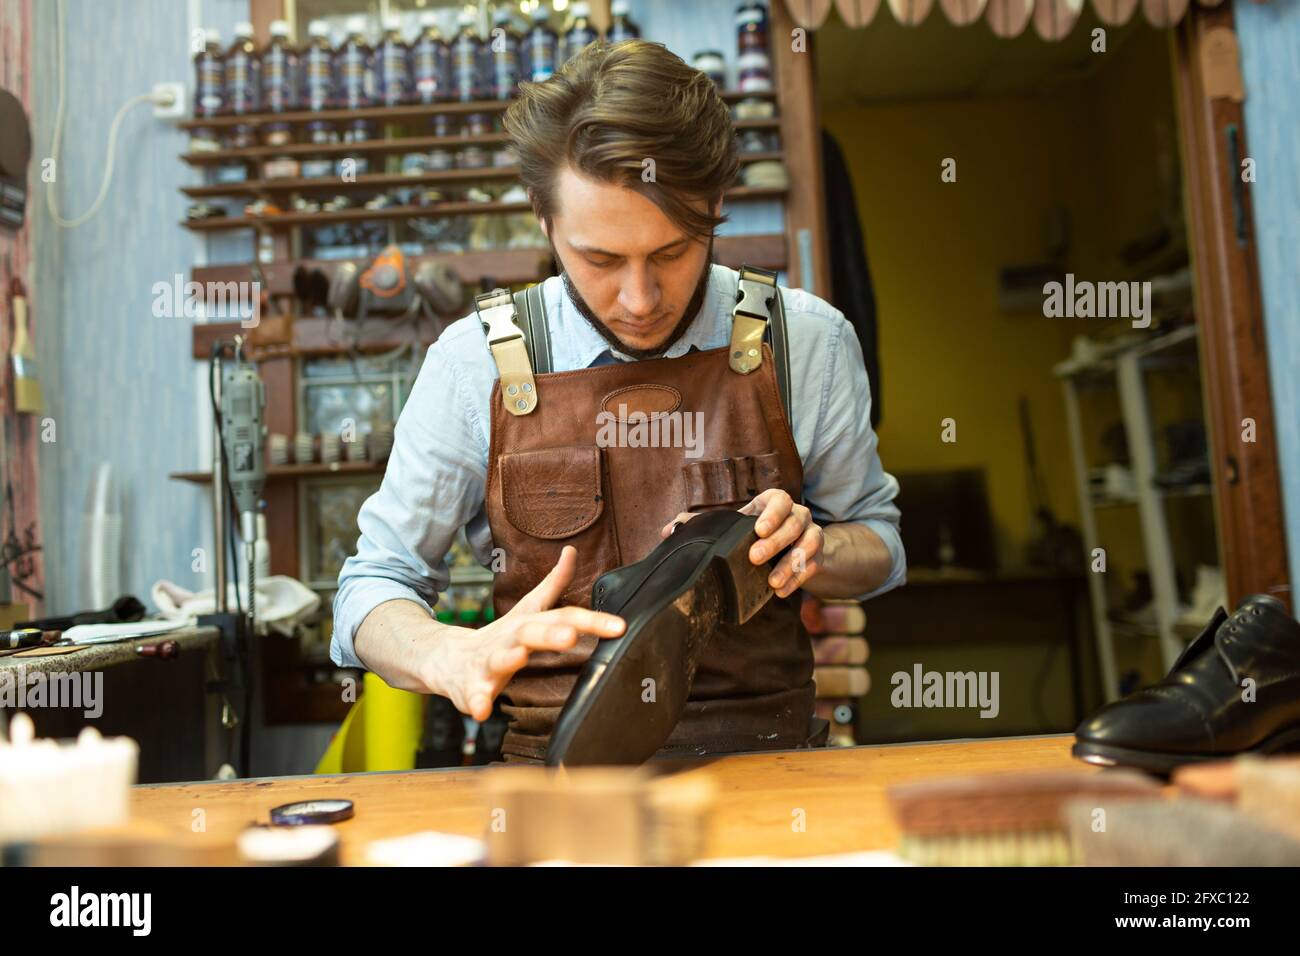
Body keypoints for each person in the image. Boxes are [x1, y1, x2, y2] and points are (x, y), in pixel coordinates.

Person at [333, 40, 904, 762]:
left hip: (769, 765)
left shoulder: (807, 341)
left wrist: (816, 550)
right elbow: (372, 585)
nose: (639, 300)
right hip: (555, 780)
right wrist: (447, 655)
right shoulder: (470, 363)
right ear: (545, 224)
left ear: (715, 207)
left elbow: (880, 544)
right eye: (600, 259)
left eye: (672, 251)